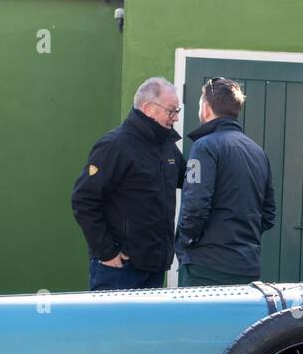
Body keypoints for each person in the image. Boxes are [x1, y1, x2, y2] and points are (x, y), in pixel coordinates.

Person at [71, 77, 185, 290]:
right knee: (112, 325)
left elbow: (189, 180)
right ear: (148, 108)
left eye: (176, 111)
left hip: (155, 267)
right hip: (119, 269)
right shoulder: (115, 145)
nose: (175, 118)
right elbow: (83, 199)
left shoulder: (167, 147)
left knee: (148, 325)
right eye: (171, 111)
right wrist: (106, 251)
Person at [175, 77, 277, 287]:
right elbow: (268, 215)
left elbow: (194, 207)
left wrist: (186, 242)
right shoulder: (257, 152)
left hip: (205, 269)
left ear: (205, 107)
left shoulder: (204, 147)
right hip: (247, 267)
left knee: (197, 321)